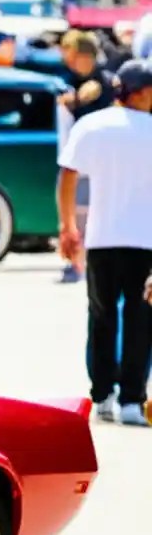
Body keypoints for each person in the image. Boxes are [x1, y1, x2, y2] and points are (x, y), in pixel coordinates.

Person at [57, 59, 152, 428]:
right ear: (141, 92)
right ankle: (131, 398)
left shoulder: (91, 124)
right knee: (141, 318)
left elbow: (67, 175)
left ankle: (103, 396)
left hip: (102, 237)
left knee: (101, 315)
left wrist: (67, 227)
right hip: (145, 239)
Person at [58, 30, 116, 284]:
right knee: (75, 209)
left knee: (89, 210)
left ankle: (84, 262)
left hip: (99, 160)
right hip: (77, 156)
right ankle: (76, 260)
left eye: (72, 56)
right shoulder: (70, 79)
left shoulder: (105, 82)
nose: (68, 62)